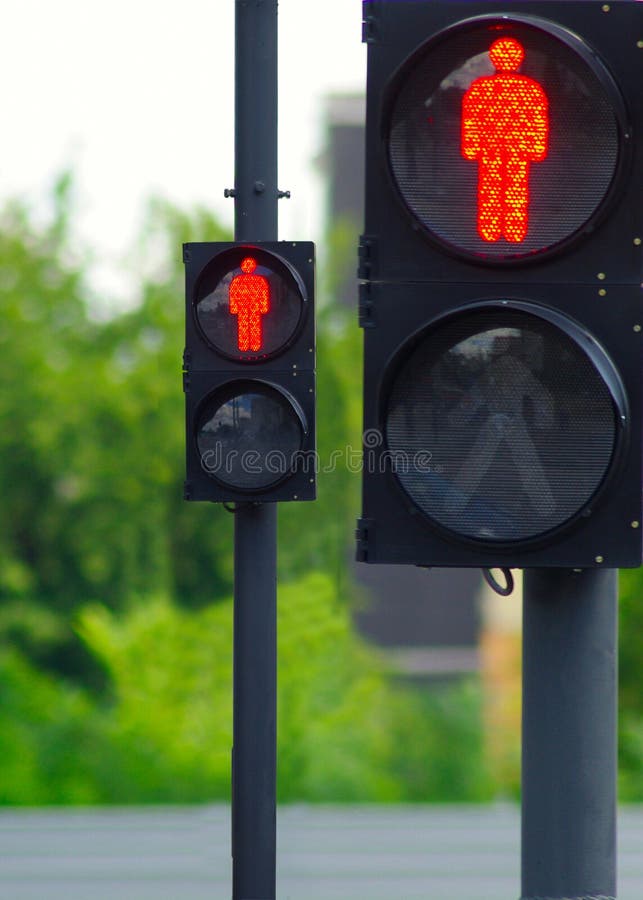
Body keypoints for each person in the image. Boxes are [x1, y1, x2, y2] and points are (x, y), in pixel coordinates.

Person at [462, 37, 548, 243]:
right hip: (516, 148)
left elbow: (473, 119)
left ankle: (491, 231)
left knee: (491, 189)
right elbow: (537, 120)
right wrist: (536, 147)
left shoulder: (481, 88)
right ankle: (513, 230)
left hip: (492, 148)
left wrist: (472, 147)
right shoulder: (530, 88)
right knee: (515, 190)